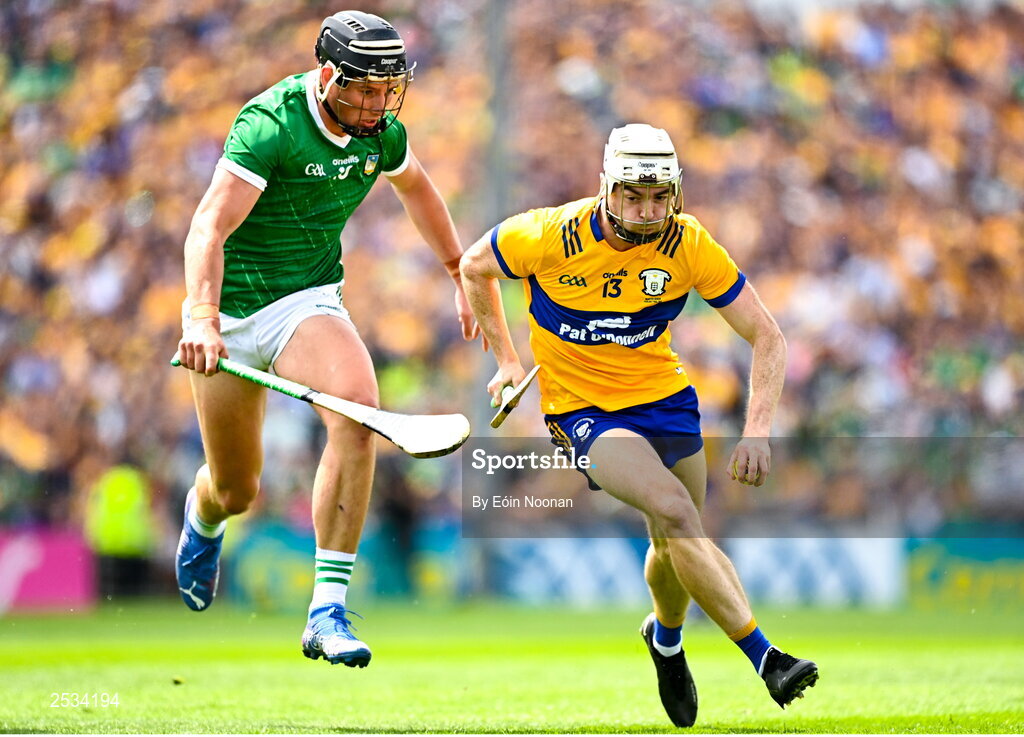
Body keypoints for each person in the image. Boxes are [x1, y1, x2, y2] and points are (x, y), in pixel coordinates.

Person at [460, 124, 818, 725]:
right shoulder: (550, 234)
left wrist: (758, 431)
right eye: (633, 195)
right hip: (582, 411)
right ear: (606, 189)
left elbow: (767, 337)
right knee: (676, 510)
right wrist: (506, 359)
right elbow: (474, 266)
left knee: (673, 534)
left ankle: (666, 639)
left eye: (660, 196)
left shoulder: (688, 243)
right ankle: (766, 657)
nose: (648, 210)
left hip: (665, 399)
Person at [174, 10, 477, 668]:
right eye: (365, 89)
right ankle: (203, 514)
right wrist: (199, 316)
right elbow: (207, 228)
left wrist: (458, 268)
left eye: (388, 89)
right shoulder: (270, 125)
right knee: (237, 489)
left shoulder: (381, 135)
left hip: (301, 303)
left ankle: (326, 609)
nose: (378, 104)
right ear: (328, 75)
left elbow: (418, 190)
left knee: (355, 408)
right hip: (225, 311)